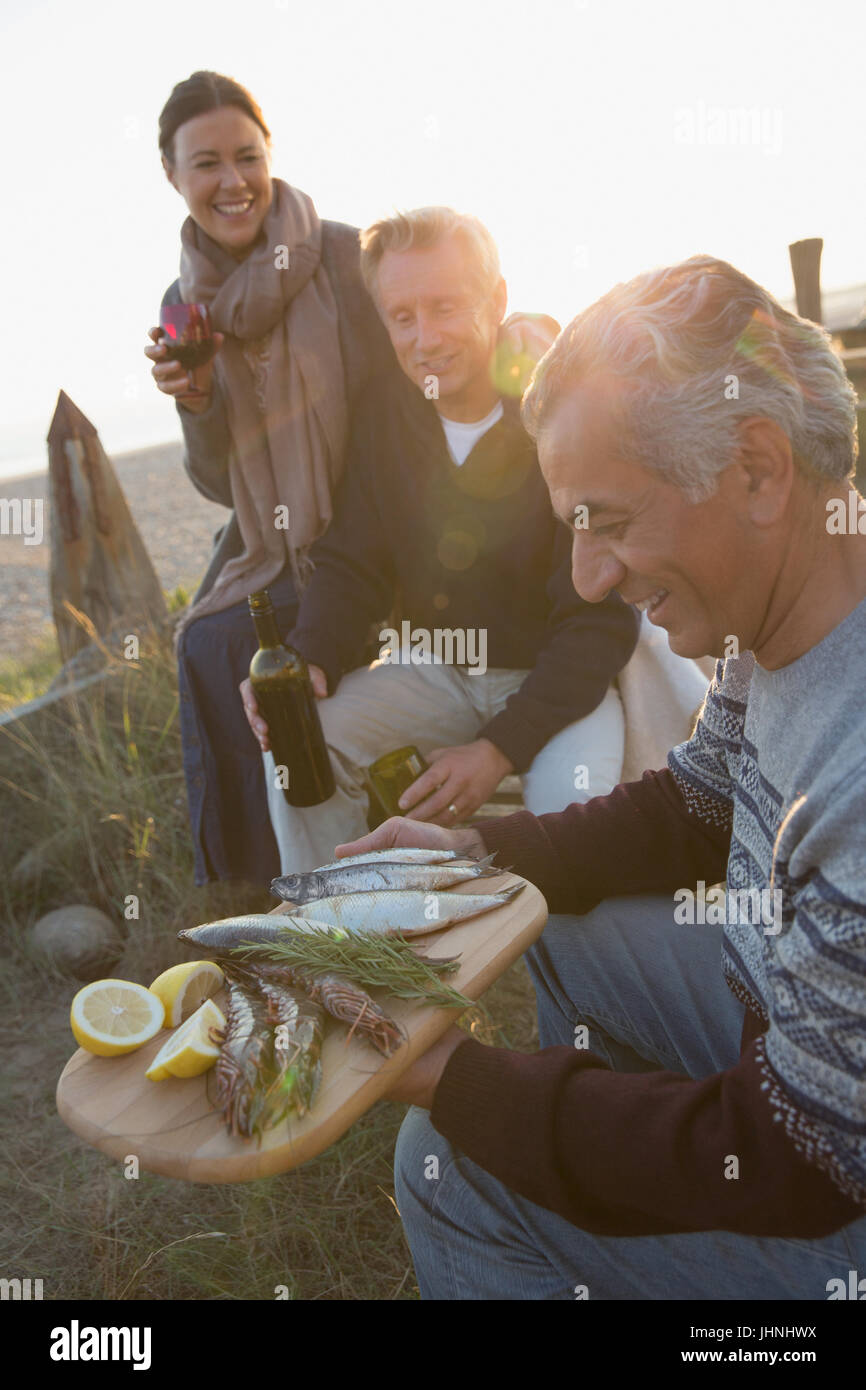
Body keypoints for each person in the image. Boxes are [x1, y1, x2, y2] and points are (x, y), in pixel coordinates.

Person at [336, 255, 866, 1299]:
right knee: (553, 915)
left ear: (756, 468)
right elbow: (692, 801)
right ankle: (623, 1194)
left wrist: (458, 1082)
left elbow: (801, 1155)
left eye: (607, 521)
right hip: (794, 1068)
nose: (587, 580)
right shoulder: (779, 630)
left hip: (823, 1176)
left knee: (446, 1163)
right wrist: (482, 850)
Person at [147, 72, 559, 886]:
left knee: (268, 654)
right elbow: (216, 482)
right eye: (206, 164)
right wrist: (196, 401)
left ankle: (322, 861)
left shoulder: (340, 256)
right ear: (174, 176)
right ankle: (274, 883)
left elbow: (442, 321)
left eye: (247, 156)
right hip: (302, 530)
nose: (231, 182)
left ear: (271, 156)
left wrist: (527, 341)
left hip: (390, 512)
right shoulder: (182, 301)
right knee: (214, 645)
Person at [241, 208, 640, 873]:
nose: (424, 338)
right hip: (436, 671)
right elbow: (352, 565)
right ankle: (342, 945)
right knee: (301, 735)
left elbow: (596, 623)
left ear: (497, 300)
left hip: (558, 684)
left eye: (445, 307)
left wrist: (497, 751)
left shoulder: (559, 418)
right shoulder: (384, 415)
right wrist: (309, 658)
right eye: (402, 317)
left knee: (573, 828)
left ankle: (564, 973)